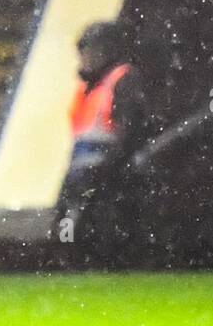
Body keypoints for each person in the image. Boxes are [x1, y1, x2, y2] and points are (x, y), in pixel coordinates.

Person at [54, 21, 147, 262]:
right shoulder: (90, 88)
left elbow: (128, 132)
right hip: (83, 178)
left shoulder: (121, 81)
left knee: (104, 240)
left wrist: (107, 168)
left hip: (108, 179)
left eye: (89, 51)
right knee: (75, 234)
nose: (84, 58)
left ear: (105, 51)